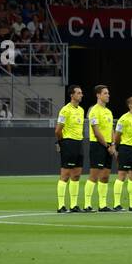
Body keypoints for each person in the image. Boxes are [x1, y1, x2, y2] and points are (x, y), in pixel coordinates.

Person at [84, 85, 116, 211]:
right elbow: (96, 132)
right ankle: (87, 204)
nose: (108, 95)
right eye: (105, 93)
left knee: (105, 176)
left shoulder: (108, 111)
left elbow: (112, 130)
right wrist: (107, 145)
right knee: (94, 175)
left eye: (108, 93)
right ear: (98, 95)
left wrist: (113, 145)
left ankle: (102, 205)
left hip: (109, 145)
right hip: (98, 145)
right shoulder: (94, 111)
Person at [54, 85, 85, 213]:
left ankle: (74, 205)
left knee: (76, 175)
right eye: (78, 93)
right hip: (68, 143)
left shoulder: (81, 110)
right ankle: (61, 206)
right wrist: (61, 143)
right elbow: (58, 130)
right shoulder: (65, 110)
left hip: (79, 143)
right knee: (65, 175)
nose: (81, 95)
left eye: (81, 92)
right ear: (72, 95)